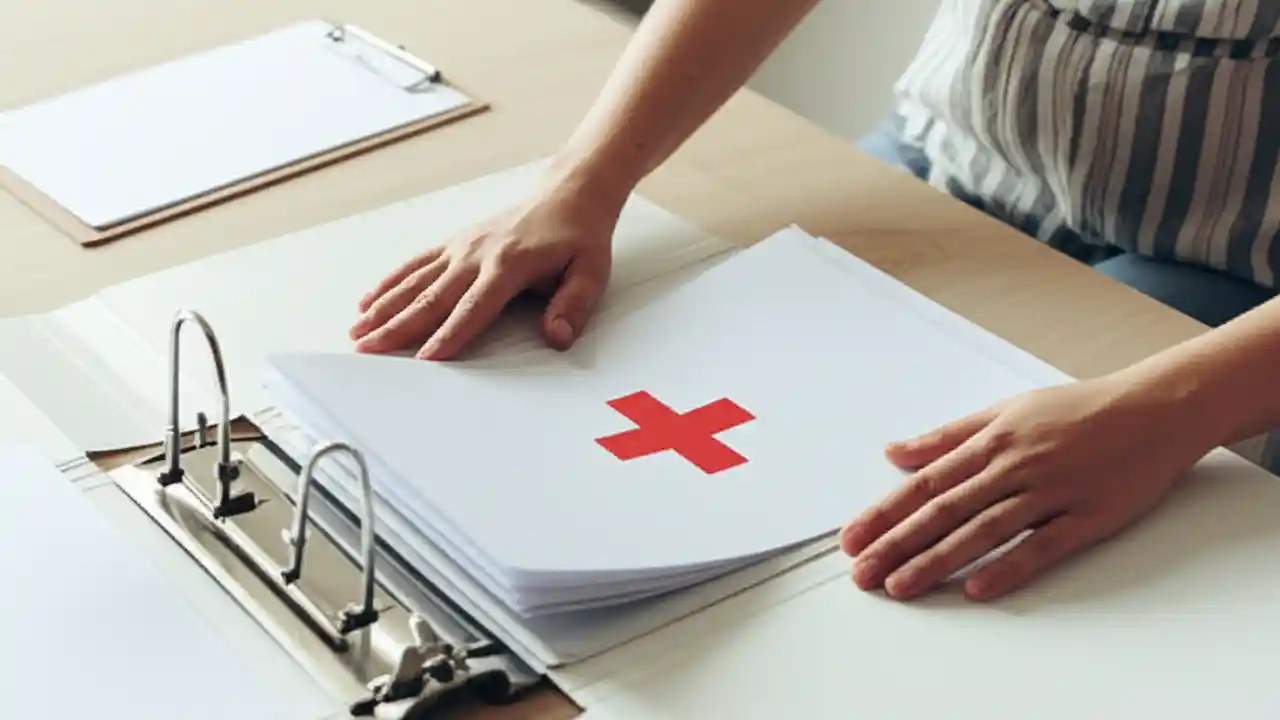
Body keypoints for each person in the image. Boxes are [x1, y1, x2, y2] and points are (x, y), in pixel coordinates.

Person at [349, 0, 1280, 603]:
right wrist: (583, 178)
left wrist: (1176, 406)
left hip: (1229, 275)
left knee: (958, 557)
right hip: (946, 165)